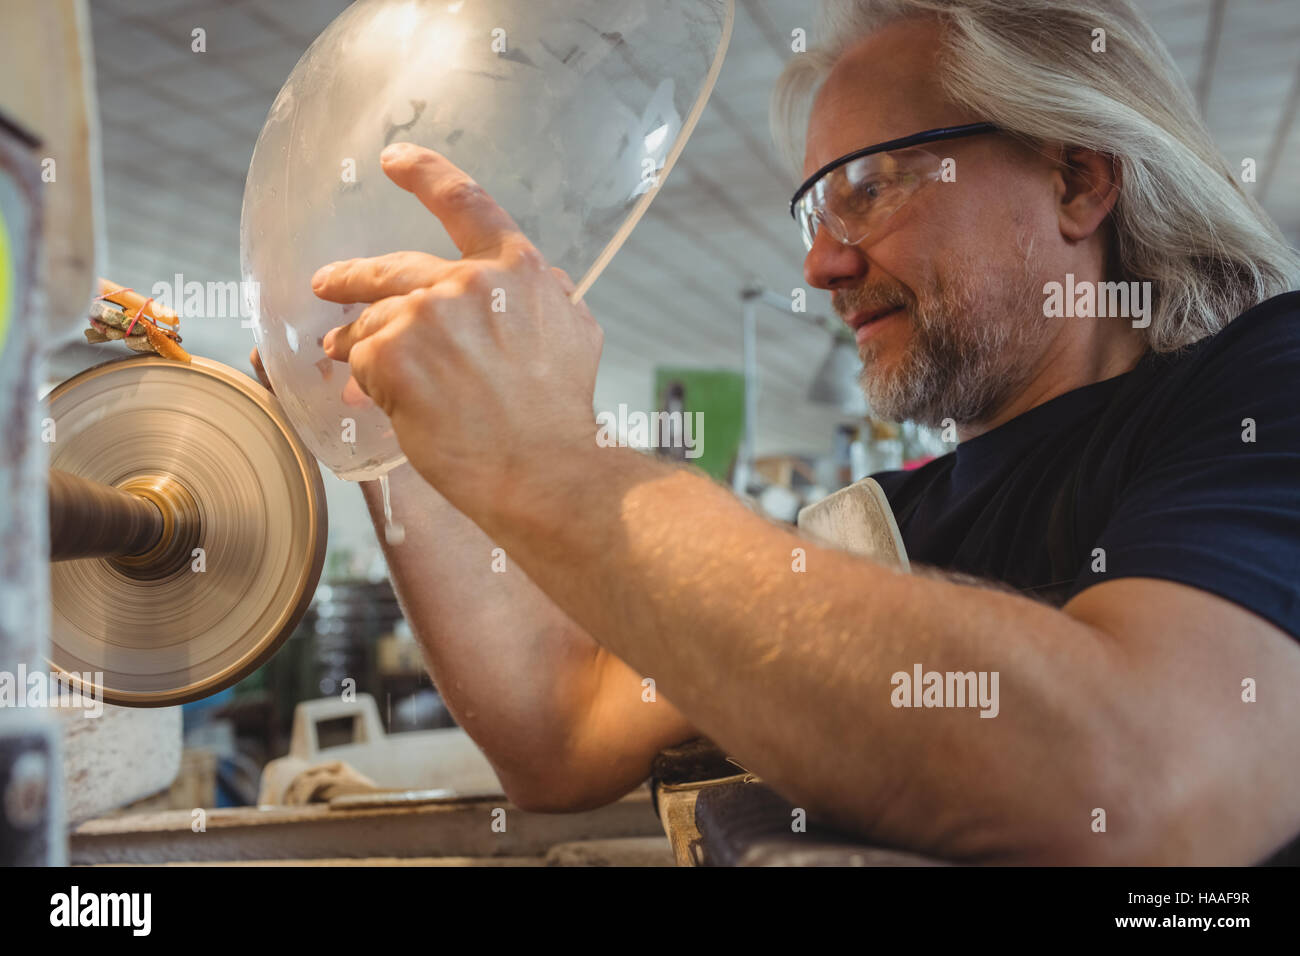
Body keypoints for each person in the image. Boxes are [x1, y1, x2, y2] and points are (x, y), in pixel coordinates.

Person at [253, 0, 1300, 864]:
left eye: (869, 190)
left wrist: (552, 460)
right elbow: (561, 727)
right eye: (816, 211)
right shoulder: (891, 528)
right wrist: (392, 414)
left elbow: (1145, 784)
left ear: (1074, 178)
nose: (822, 266)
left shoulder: (1265, 385)